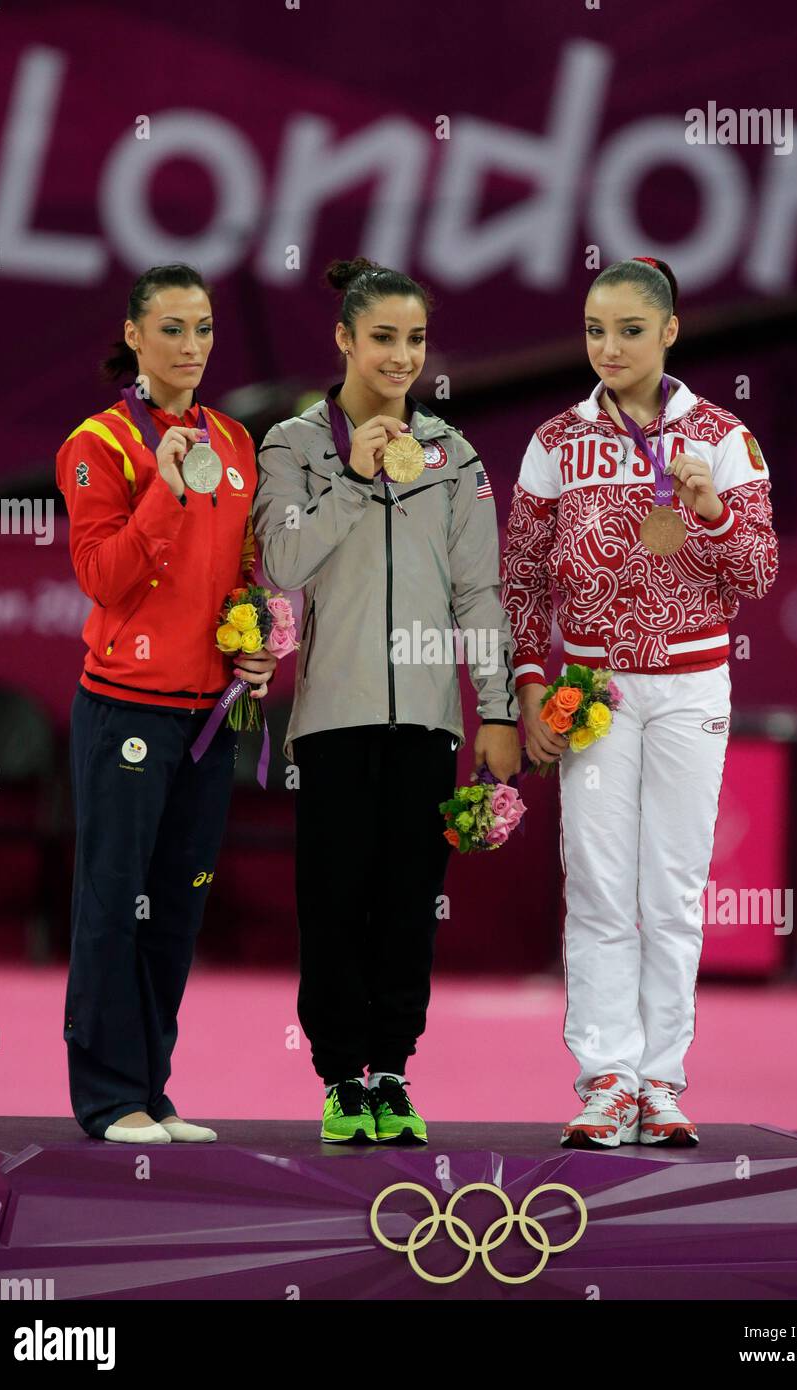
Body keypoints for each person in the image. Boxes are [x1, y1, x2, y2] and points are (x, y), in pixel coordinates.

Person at [500, 256, 778, 1148]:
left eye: (628, 329)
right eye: (593, 329)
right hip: (592, 691)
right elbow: (519, 582)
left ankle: (662, 1080)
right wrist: (529, 682)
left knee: (673, 889)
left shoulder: (723, 435)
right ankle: (606, 1079)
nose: (608, 347)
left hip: (693, 683)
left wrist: (713, 511)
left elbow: (760, 574)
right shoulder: (554, 442)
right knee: (598, 884)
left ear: (669, 331)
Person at [252, 257, 520, 1144]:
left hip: (430, 723)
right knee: (334, 899)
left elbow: (478, 594)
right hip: (332, 715)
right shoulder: (295, 446)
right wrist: (354, 478)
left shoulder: (453, 454)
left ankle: (393, 1070)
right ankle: (339, 1077)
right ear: (344, 341)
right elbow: (281, 568)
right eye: (382, 340)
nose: (401, 358)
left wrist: (499, 709)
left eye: (414, 340)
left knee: (411, 899)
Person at [56, 263, 276, 1143]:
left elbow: (240, 570)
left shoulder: (234, 437)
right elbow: (101, 577)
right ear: (136, 335)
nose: (193, 347)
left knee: (177, 904)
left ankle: (151, 1088)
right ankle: (107, 1097)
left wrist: (254, 639)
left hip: (209, 714)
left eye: (205, 328)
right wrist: (164, 490)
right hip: (127, 709)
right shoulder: (98, 443)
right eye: (174, 330)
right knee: (115, 900)